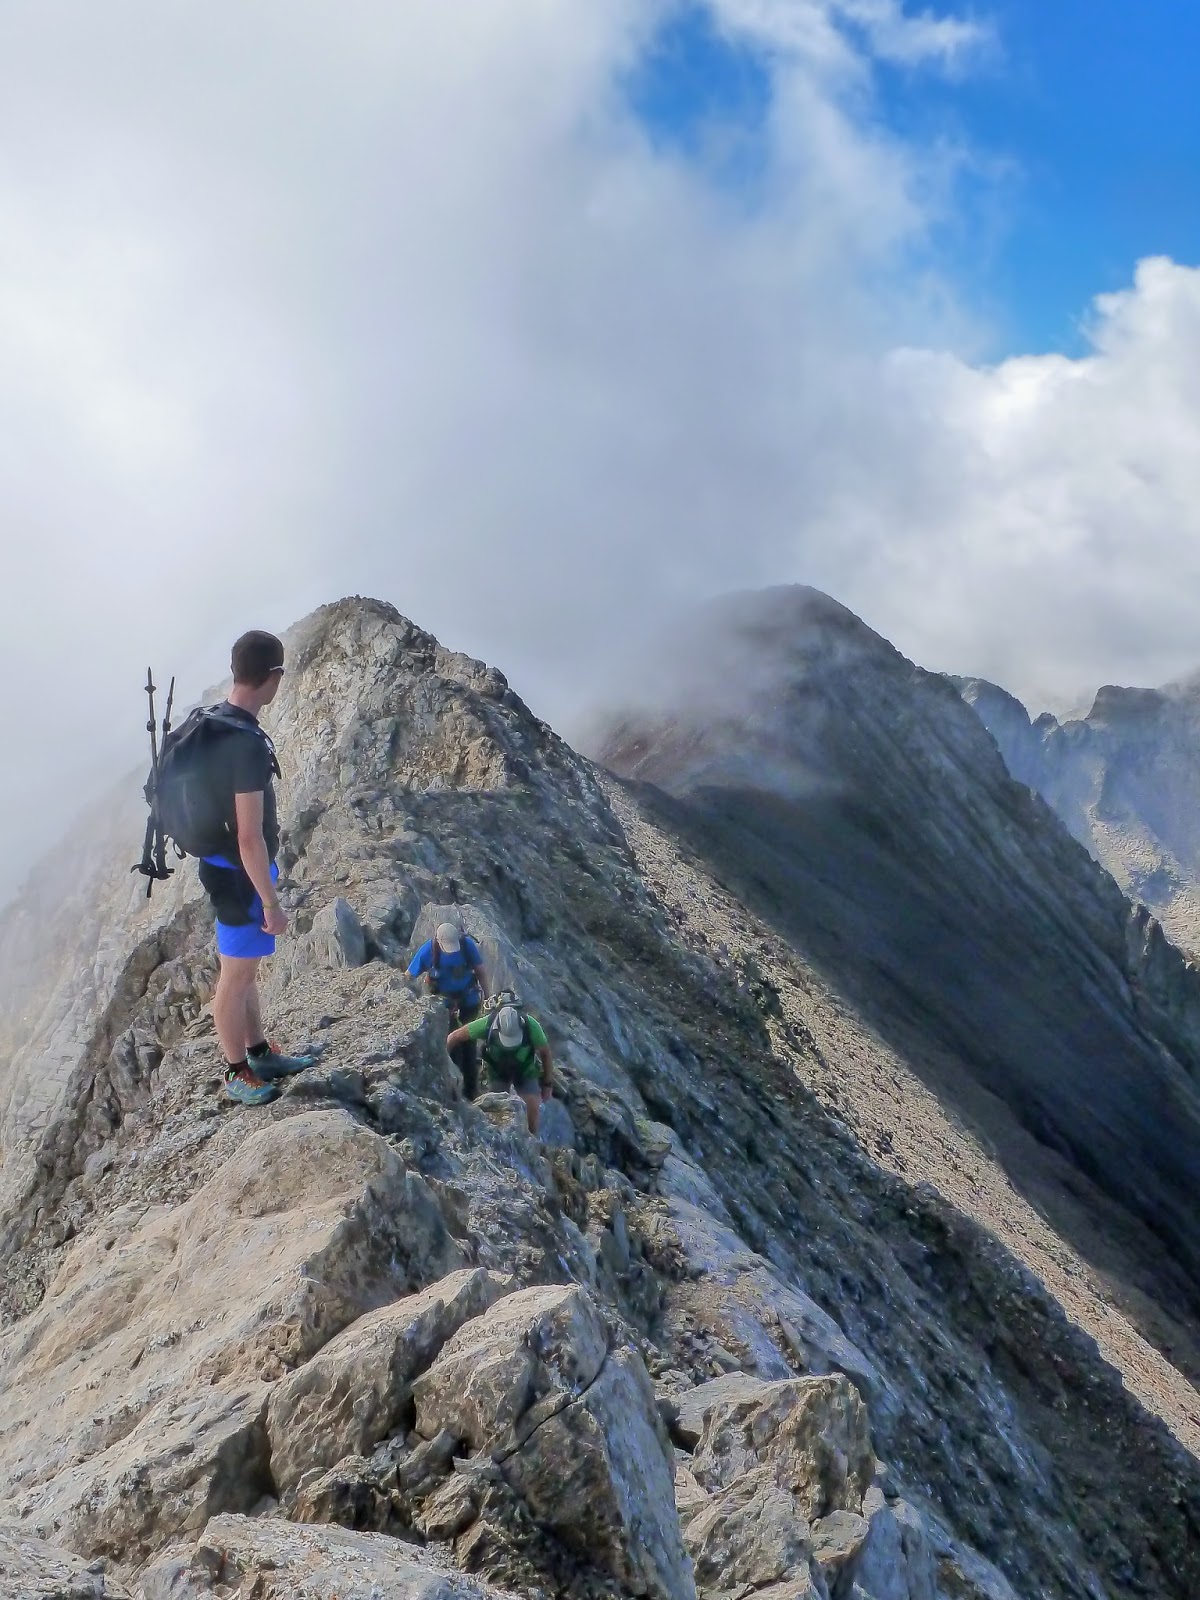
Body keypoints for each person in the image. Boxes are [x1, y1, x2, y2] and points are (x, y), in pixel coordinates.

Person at [197, 630, 314, 1106]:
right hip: (239, 875)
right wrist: (270, 902)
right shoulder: (243, 744)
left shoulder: (215, 721)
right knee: (236, 975)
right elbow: (249, 835)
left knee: (242, 971)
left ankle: (259, 1051)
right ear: (273, 677)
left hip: (222, 866)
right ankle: (236, 1071)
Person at [447, 1002, 554, 1134]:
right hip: (496, 1070)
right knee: (494, 1110)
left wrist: (548, 1084)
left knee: (533, 1107)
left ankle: (533, 1140)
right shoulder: (487, 1024)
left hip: (525, 1069)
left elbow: (546, 1053)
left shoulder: (531, 1026)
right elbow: (454, 1037)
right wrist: (445, 1060)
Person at [407, 923, 489, 1097]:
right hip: (443, 1008)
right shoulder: (429, 951)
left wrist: (488, 996)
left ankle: (470, 1091)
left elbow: (480, 971)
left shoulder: (467, 945)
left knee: (469, 1045)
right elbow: (408, 976)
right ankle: (456, 1091)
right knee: (453, 1048)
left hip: (469, 1001)